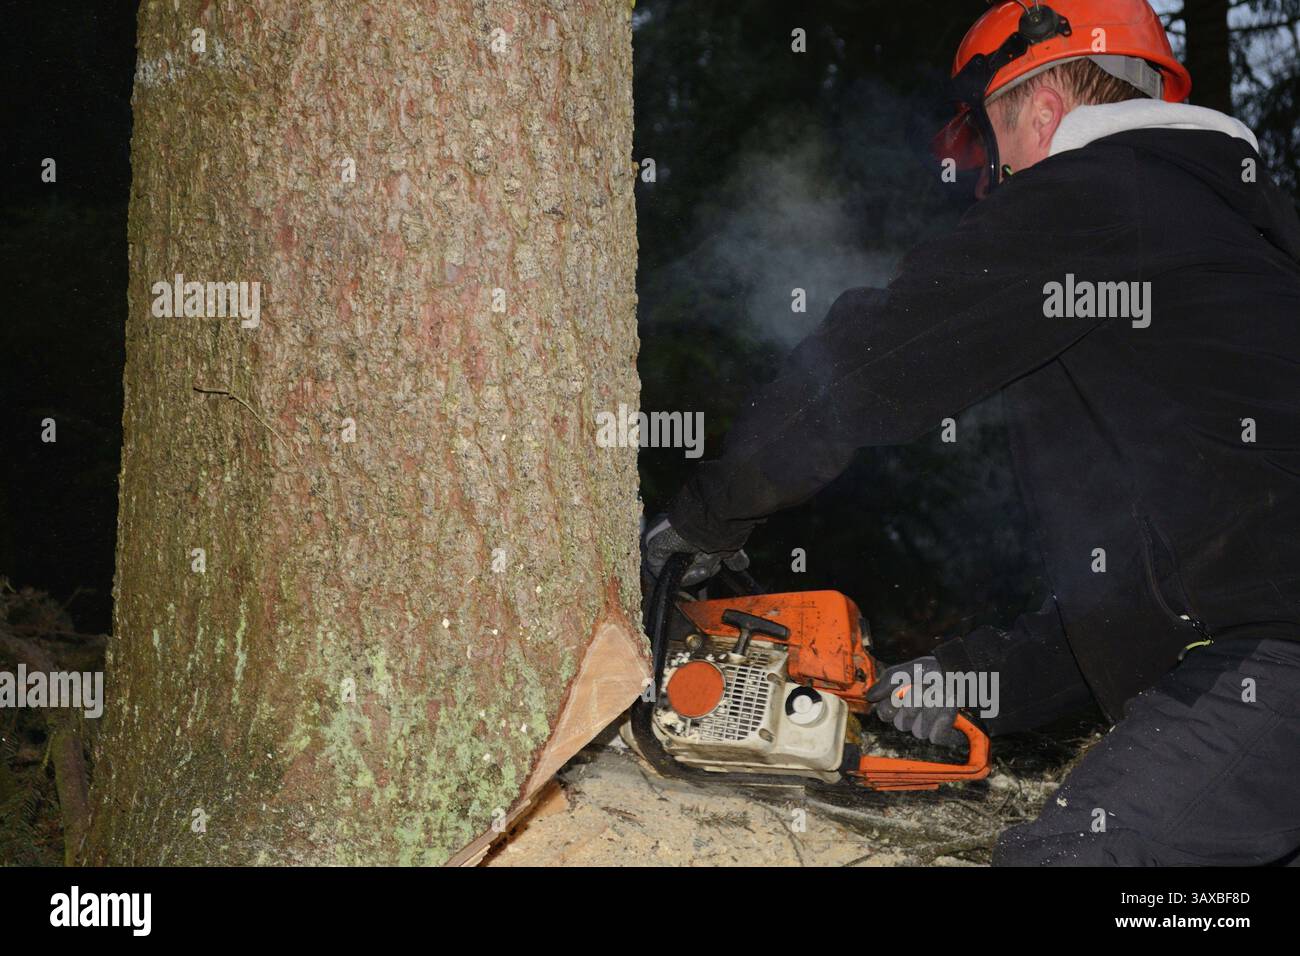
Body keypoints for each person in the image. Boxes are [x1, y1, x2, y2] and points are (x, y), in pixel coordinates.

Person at [643, 0, 1300, 865]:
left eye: (992, 141)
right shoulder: (1214, 229)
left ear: (1042, 109)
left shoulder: (1097, 194)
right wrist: (968, 681)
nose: (992, 178)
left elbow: (873, 360)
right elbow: (1160, 596)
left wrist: (702, 518)